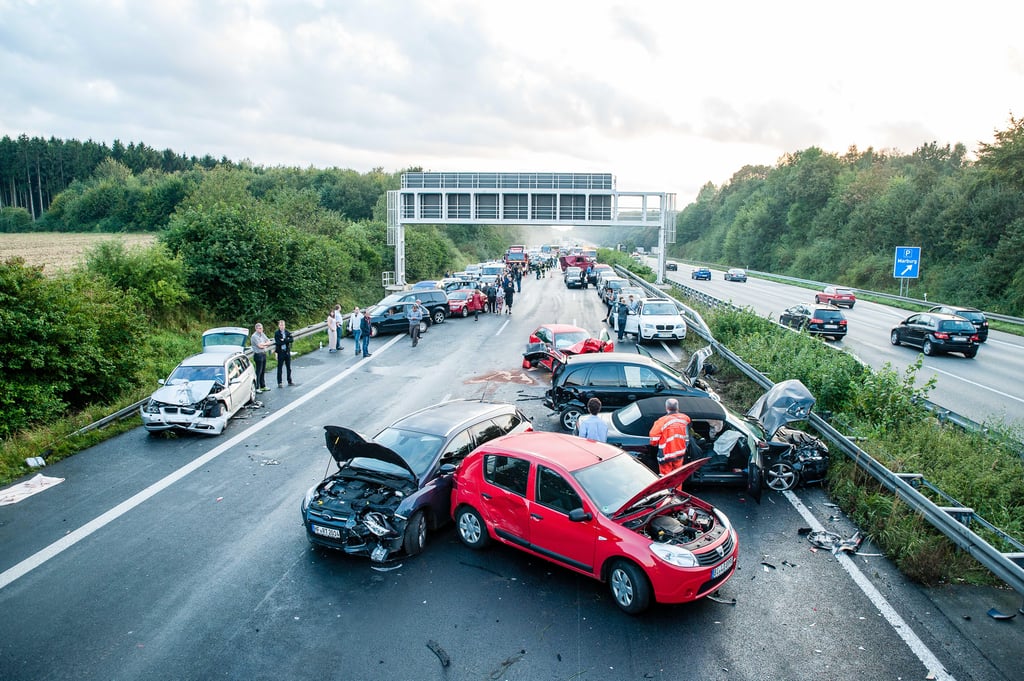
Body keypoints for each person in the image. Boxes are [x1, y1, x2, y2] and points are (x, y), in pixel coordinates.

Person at [649, 398, 691, 475]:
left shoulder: (661, 421)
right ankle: (677, 487)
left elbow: (654, 437)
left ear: (666, 408)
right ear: (678, 408)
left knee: (666, 477)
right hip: (680, 453)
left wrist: (654, 444)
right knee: (678, 475)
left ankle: (667, 488)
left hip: (666, 455)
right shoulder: (685, 418)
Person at [250, 322, 272, 393]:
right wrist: (265, 345)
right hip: (258, 354)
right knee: (258, 371)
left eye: (261, 328)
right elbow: (259, 346)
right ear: (256, 329)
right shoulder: (254, 336)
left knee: (263, 371)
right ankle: (257, 387)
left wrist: (264, 345)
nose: (261, 329)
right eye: (259, 328)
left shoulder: (262, 334)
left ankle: (263, 386)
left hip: (263, 353)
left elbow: (269, 341)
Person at [274, 320, 294, 387]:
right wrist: (286, 340)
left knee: (288, 367)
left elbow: (291, 340)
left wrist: (284, 340)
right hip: (280, 352)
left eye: (283, 325)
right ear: (279, 326)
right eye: (281, 325)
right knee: (280, 368)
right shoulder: (277, 333)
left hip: (287, 351)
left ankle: (289, 381)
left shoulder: (287, 332)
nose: (282, 327)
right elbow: (278, 342)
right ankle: (279, 382)